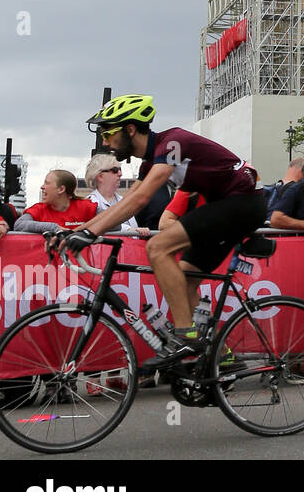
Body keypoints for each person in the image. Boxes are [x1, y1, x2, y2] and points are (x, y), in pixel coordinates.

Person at [62, 94, 267, 372]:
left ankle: (186, 335)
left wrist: (88, 234)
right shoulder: (151, 161)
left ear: (131, 129)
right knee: (185, 279)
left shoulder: (172, 143)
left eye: (108, 133)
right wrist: (79, 231)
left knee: (157, 248)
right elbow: (126, 201)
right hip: (229, 205)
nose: (105, 142)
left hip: (242, 202)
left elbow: (142, 198)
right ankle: (221, 353)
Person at [14, 170, 97, 236]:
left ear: (61, 189)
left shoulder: (87, 207)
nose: (42, 187)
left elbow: (108, 221)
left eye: (47, 183)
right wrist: (54, 228)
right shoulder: (39, 209)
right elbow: (19, 225)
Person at [85, 153, 137, 232]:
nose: (120, 174)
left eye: (120, 169)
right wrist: (129, 229)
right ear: (100, 176)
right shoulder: (90, 203)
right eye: (115, 170)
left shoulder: (124, 200)